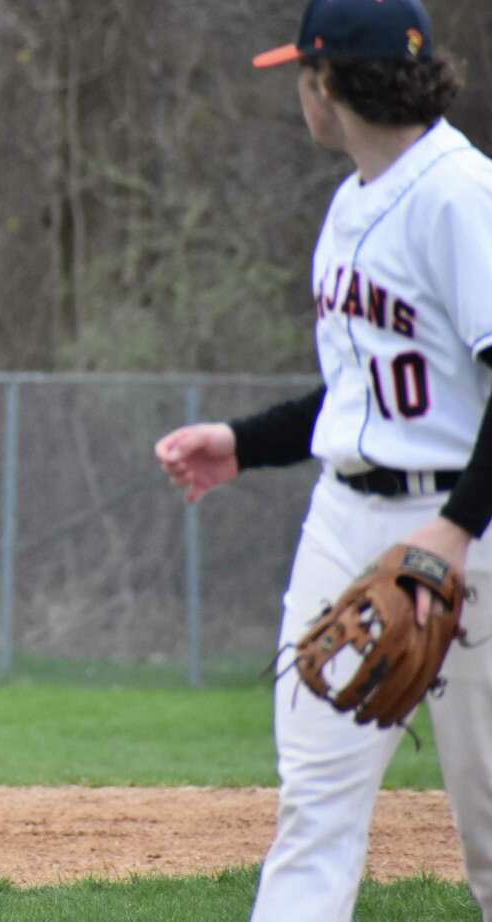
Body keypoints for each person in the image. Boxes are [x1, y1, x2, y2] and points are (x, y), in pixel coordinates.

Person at [154, 1, 492, 919]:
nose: (298, 93)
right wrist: (244, 444)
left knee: (490, 832)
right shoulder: (349, 204)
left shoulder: (461, 195)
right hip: (344, 522)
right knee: (313, 807)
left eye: (301, 74)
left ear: (329, 81)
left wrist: (454, 531)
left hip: (468, 528)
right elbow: (362, 399)